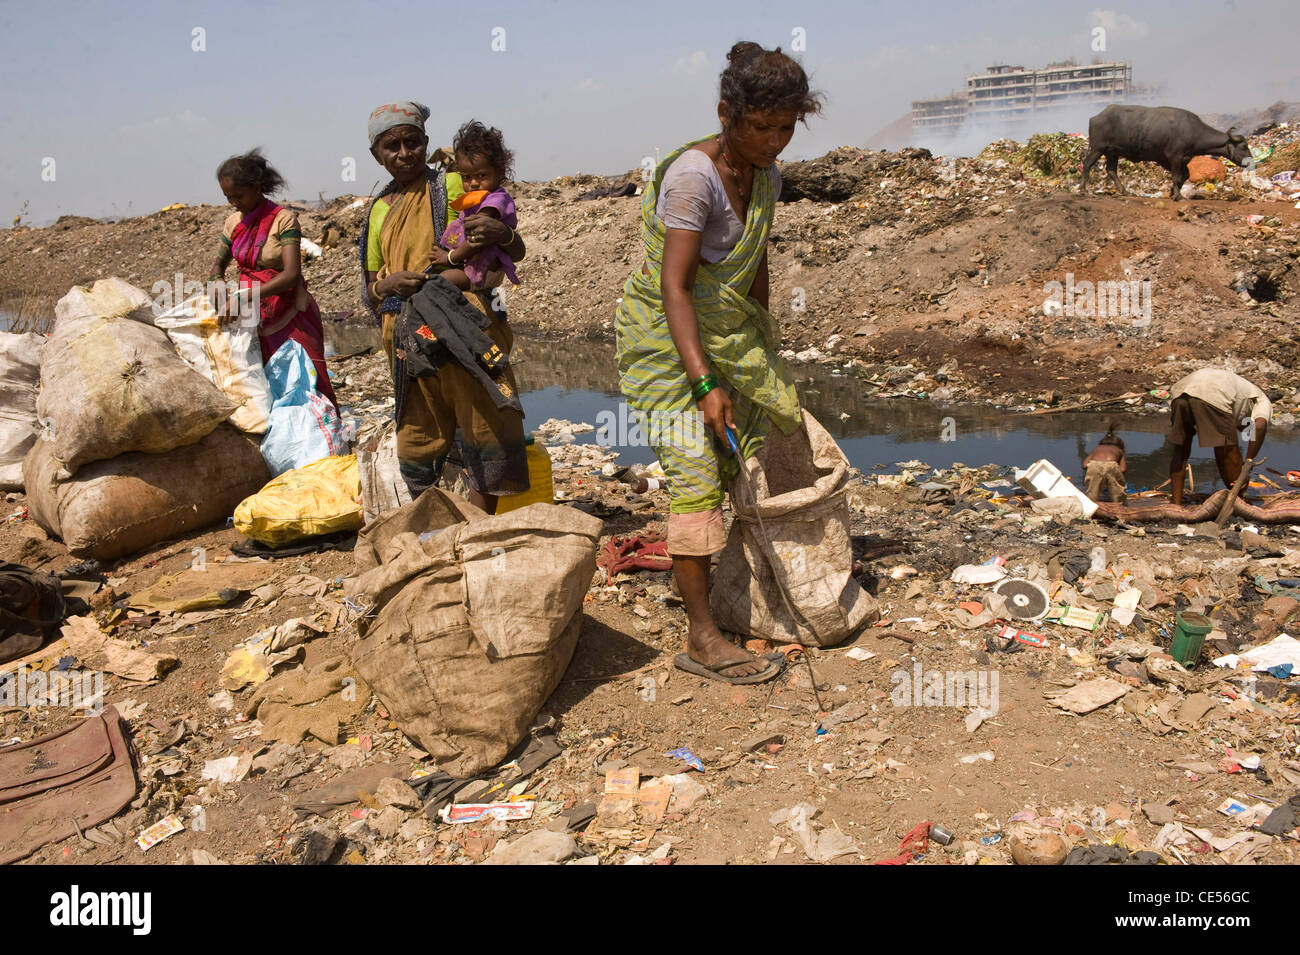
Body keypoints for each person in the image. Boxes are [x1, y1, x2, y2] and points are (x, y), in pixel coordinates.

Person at [616, 42, 822, 684]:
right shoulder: (691, 177)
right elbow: (675, 287)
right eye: (761, 127)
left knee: (742, 455)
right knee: (695, 473)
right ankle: (702, 637)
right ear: (725, 114)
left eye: (786, 128)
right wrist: (705, 381)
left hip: (725, 336)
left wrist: (757, 343)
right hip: (663, 342)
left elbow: (753, 261)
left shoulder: (768, 176)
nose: (774, 141)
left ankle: (736, 594)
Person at [359, 102, 528, 512]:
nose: (403, 153)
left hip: (461, 322)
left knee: (482, 417)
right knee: (422, 428)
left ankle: (477, 527)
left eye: (412, 142)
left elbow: (509, 246)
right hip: (406, 334)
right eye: (391, 146)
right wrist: (388, 283)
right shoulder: (379, 209)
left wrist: (500, 235)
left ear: (426, 143)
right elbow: (369, 289)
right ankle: (437, 523)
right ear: (376, 154)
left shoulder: (454, 185)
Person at [208, 149, 337, 407]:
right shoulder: (233, 223)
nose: (234, 202)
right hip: (252, 317)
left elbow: (291, 275)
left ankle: (326, 440)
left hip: (290, 312)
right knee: (265, 389)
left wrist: (243, 296)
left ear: (256, 187)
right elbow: (218, 265)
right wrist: (217, 281)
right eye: (228, 197)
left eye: (238, 195)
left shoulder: (283, 220)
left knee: (308, 385)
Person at [1168, 368, 1271, 506]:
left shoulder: (1244, 401)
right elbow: (1259, 427)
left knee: (1181, 449)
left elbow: (1247, 431)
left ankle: (1176, 504)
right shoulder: (1263, 400)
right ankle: (1238, 503)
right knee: (1228, 452)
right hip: (1214, 392)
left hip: (1181, 391)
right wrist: (1248, 463)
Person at [440, 121, 520, 292]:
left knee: (441, 282)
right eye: (466, 177)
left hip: (485, 269)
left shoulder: (496, 199)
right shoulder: (474, 199)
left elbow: (479, 231)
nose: (474, 183)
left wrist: (450, 258)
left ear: (500, 172)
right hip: (474, 262)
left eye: (481, 175)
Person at [1082, 429, 1127, 504]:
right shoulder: (1119, 450)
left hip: (1094, 465)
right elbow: (1123, 469)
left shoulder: (1096, 449)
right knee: (1117, 491)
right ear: (1120, 445)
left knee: (1092, 491)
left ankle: (1092, 506)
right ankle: (1118, 506)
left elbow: (1084, 465)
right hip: (1111, 465)